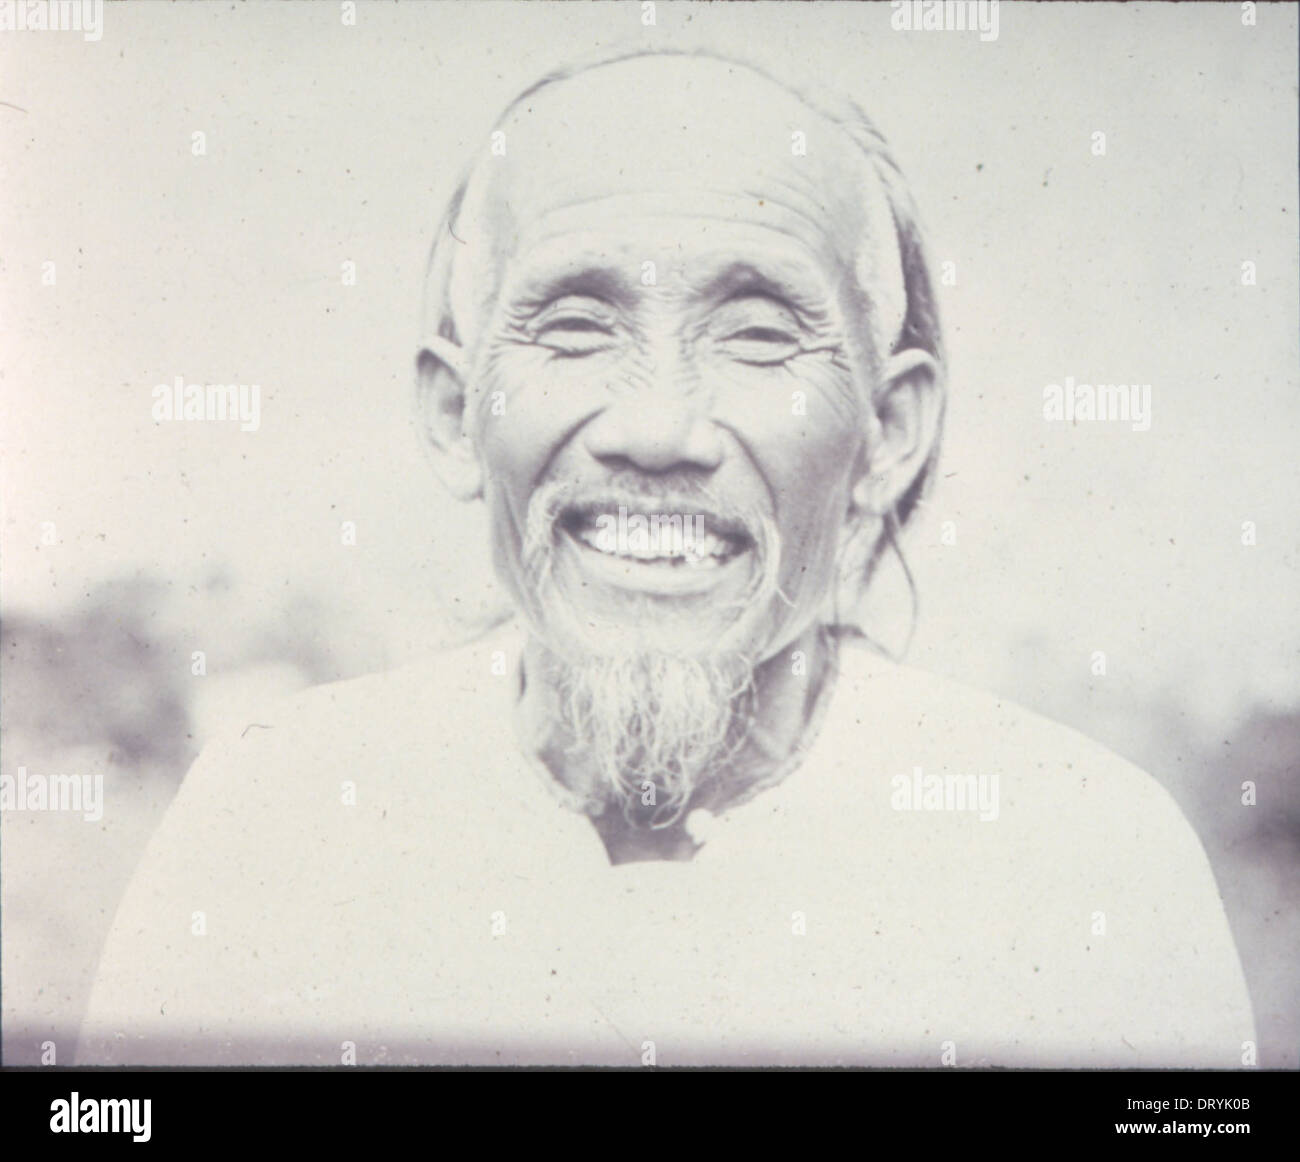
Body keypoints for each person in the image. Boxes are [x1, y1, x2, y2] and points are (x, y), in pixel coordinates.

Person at [78, 47, 1254, 1067]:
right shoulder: (267, 831)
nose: (657, 427)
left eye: (755, 335)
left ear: (889, 432)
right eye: (577, 327)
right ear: (454, 410)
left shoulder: (1083, 872)